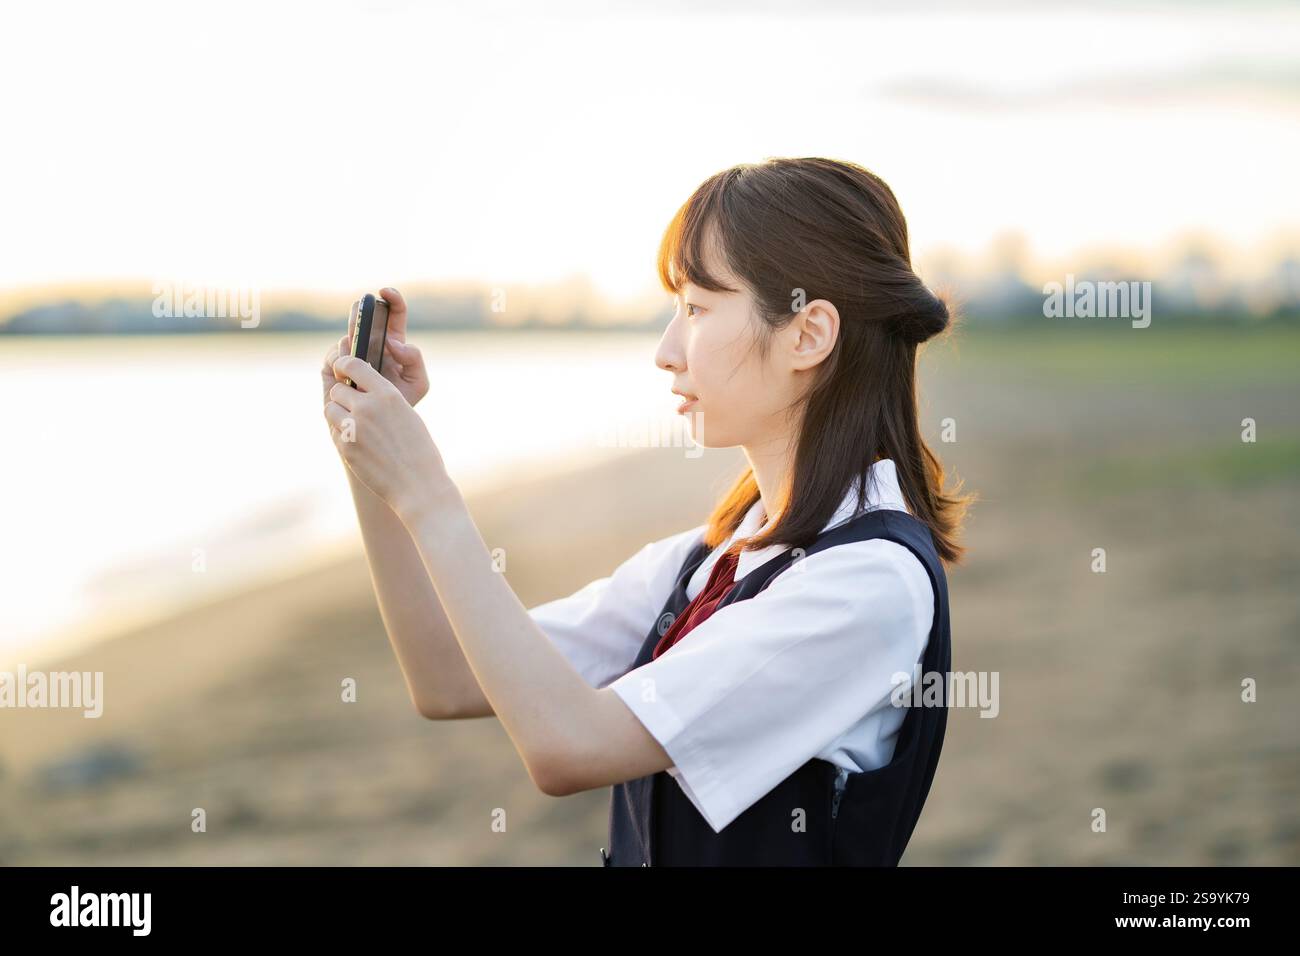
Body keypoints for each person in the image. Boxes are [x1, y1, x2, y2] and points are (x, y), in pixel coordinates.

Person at [319, 156, 972, 866]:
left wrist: (428, 490)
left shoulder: (866, 585)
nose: (666, 352)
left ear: (808, 334)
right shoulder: (715, 558)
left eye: (695, 308)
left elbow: (568, 747)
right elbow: (447, 677)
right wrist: (371, 460)